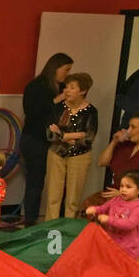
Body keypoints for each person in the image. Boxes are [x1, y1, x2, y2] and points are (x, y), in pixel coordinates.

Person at [20, 53, 72, 226]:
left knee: (57, 182)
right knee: (35, 181)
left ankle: (57, 218)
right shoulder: (37, 86)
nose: (67, 73)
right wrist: (56, 100)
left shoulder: (64, 86)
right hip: (35, 139)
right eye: (65, 69)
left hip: (56, 141)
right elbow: (32, 111)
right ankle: (30, 220)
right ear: (55, 68)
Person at [42, 73, 98, 220]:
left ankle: (69, 229)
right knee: (53, 196)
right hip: (56, 154)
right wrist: (72, 136)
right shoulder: (58, 108)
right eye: (66, 87)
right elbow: (50, 134)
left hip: (80, 156)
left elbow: (88, 139)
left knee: (73, 199)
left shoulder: (91, 111)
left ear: (83, 91)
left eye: (72, 87)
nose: (67, 90)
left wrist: (63, 134)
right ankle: (50, 229)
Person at [84, 169, 139, 259]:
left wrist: (109, 219)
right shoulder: (116, 200)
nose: (123, 190)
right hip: (110, 244)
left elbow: (130, 224)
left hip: (127, 250)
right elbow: (103, 208)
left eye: (128, 187)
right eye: (121, 186)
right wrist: (94, 209)